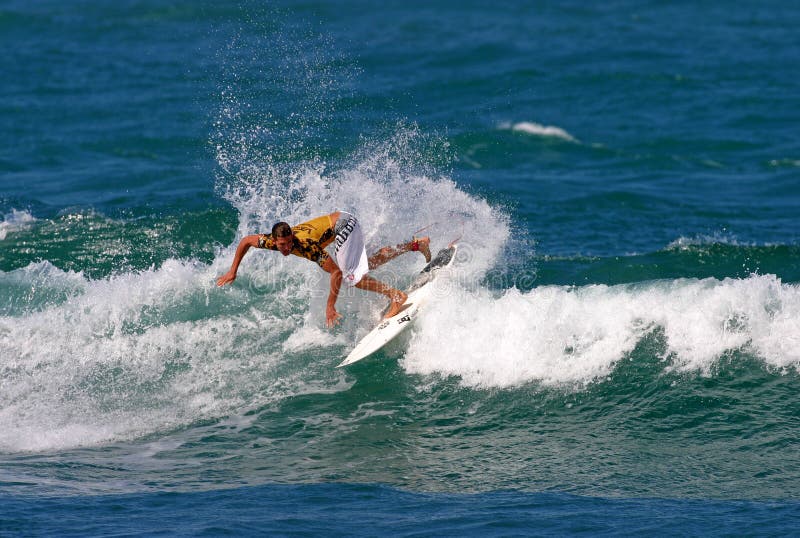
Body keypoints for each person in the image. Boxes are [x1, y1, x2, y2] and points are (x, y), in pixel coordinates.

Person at [216, 211, 431, 327]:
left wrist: (330, 305)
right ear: (274, 240)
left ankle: (396, 296)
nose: (287, 248)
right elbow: (245, 241)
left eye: (289, 243)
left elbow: (335, 272)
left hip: (344, 225)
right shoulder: (269, 241)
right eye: (282, 245)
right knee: (367, 265)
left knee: (352, 277)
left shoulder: (305, 246)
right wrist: (233, 270)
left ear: (292, 238)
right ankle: (415, 245)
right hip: (340, 224)